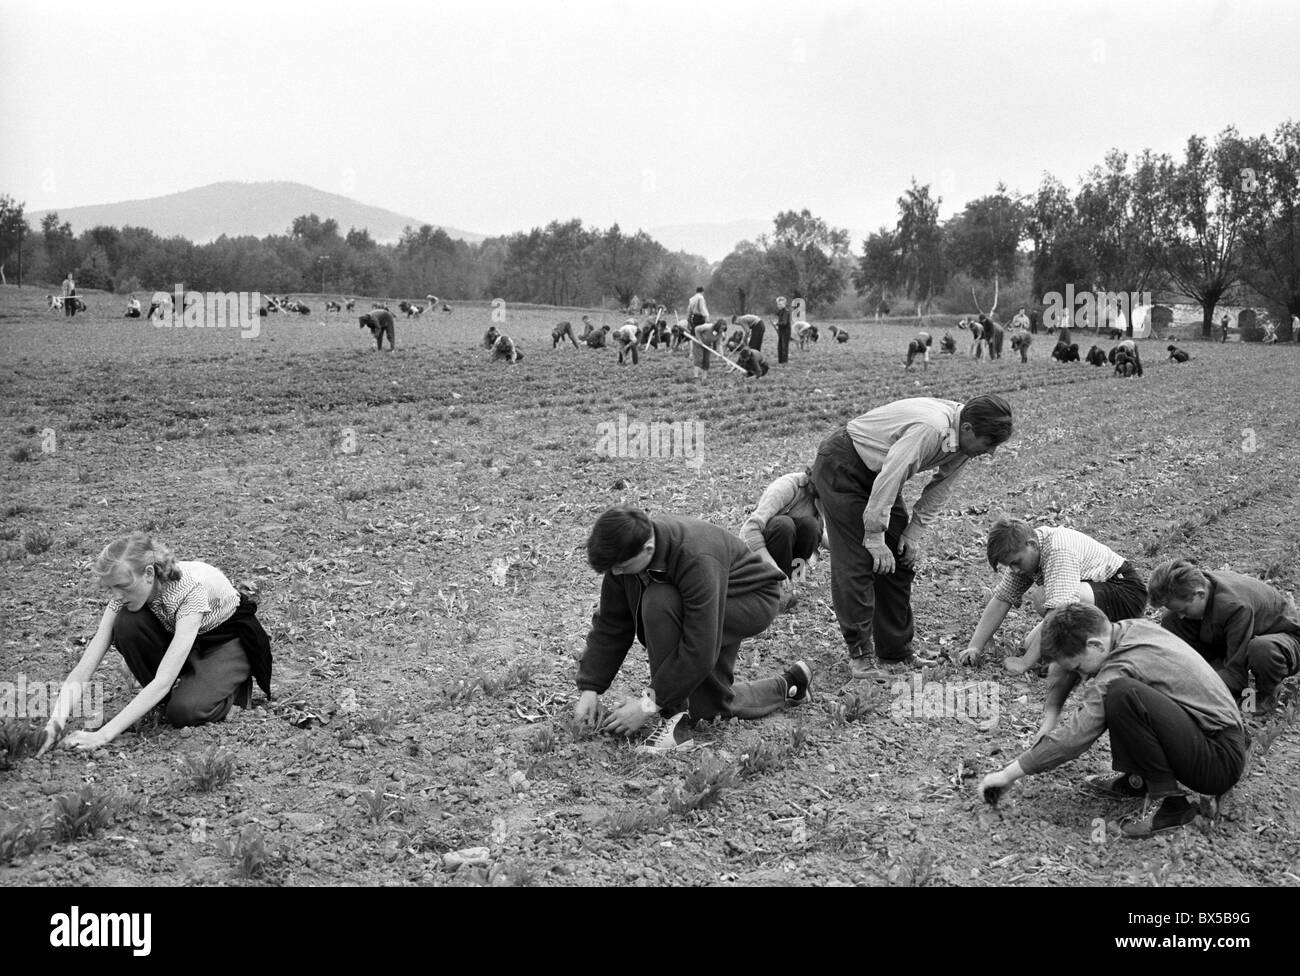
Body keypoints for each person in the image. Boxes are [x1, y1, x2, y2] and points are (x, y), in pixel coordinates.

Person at [978, 603, 1245, 838]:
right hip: (1216, 739)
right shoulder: (1130, 630)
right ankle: (1138, 781)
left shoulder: (1118, 667)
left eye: (1079, 668)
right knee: (1122, 696)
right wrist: (1051, 714)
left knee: (1121, 695)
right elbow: (1069, 673)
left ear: (1095, 644)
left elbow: (1076, 738)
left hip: (1218, 761)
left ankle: (1171, 806)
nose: (1082, 677)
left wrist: (1007, 774)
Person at [573, 507, 813, 754]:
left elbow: (699, 648)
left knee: (659, 602)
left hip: (750, 598)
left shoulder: (695, 556)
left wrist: (647, 705)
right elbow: (611, 624)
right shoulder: (627, 553)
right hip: (714, 594)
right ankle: (790, 685)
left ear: (647, 549)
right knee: (707, 708)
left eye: (620, 567)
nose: (615, 574)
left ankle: (675, 723)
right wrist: (590, 689)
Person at [811, 395, 1014, 679]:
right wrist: (873, 534)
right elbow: (894, 472)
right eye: (989, 444)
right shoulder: (931, 429)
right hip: (844, 463)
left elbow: (941, 488)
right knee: (858, 559)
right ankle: (860, 657)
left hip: (879, 474)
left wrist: (912, 533)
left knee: (900, 558)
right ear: (968, 428)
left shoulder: (963, 440)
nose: (991, 452)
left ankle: (895, 651)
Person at [38, 533, 272, 754]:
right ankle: (174, 696)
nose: (116, 596)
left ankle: (232, 692)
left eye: (122, 587)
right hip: (183, 636)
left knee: (185, 712)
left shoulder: (190, 591)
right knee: (126, 624)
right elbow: (84, 667)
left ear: (149, 574)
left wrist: (101, 736)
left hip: (225, 640)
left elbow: (162, 681)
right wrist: (54, 725)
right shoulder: (125, 596)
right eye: (111, 588)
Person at [959, 519, 1147, 674]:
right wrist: (975, 646)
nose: (1014, 569)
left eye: (1016, 562)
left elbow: (1059, 610)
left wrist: (1025, 663)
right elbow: (1002, 599)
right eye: (1009, 565)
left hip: (1123, 592)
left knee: (1045, 597)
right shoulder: (1026, 550)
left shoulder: (1058, 549)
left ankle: (1109, 640)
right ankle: (1092, 645)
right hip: (1095, 593)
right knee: (1030, 644)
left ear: (1031, 545)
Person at [1147, 559, 1300, 715]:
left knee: (1261, 649)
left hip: (1281, 639)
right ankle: (1215, 679)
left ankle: (1266, 696)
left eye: (1184, 610)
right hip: (1238, 634)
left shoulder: (1234, 606)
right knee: (1171, 621)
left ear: (1200, 594)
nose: (1181, 616)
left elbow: (1236, 674)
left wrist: (1189, 688)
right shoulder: (1194, 588)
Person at [739, 468, 828, 609]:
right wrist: (774, 568)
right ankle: (774, 585)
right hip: (766, 551)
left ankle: (792, 581)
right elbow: (749, 529)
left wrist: (847, 551)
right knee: (784, 524)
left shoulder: (819, 499)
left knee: (812, 525)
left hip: (789, 555)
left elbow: (818, 532)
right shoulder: (789, 486)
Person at [774, 297, 792, 364]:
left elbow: (784, 323)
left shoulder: (786, 312)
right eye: (778, 304)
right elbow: (777, 314)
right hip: (781, 331)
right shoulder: (781, 311)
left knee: (784, 347)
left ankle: (784, 362)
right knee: (780, 347)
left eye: (781, 304)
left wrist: (777, 323)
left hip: (786, 332)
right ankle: (780, 361)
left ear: (784, 304)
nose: (779, 306)